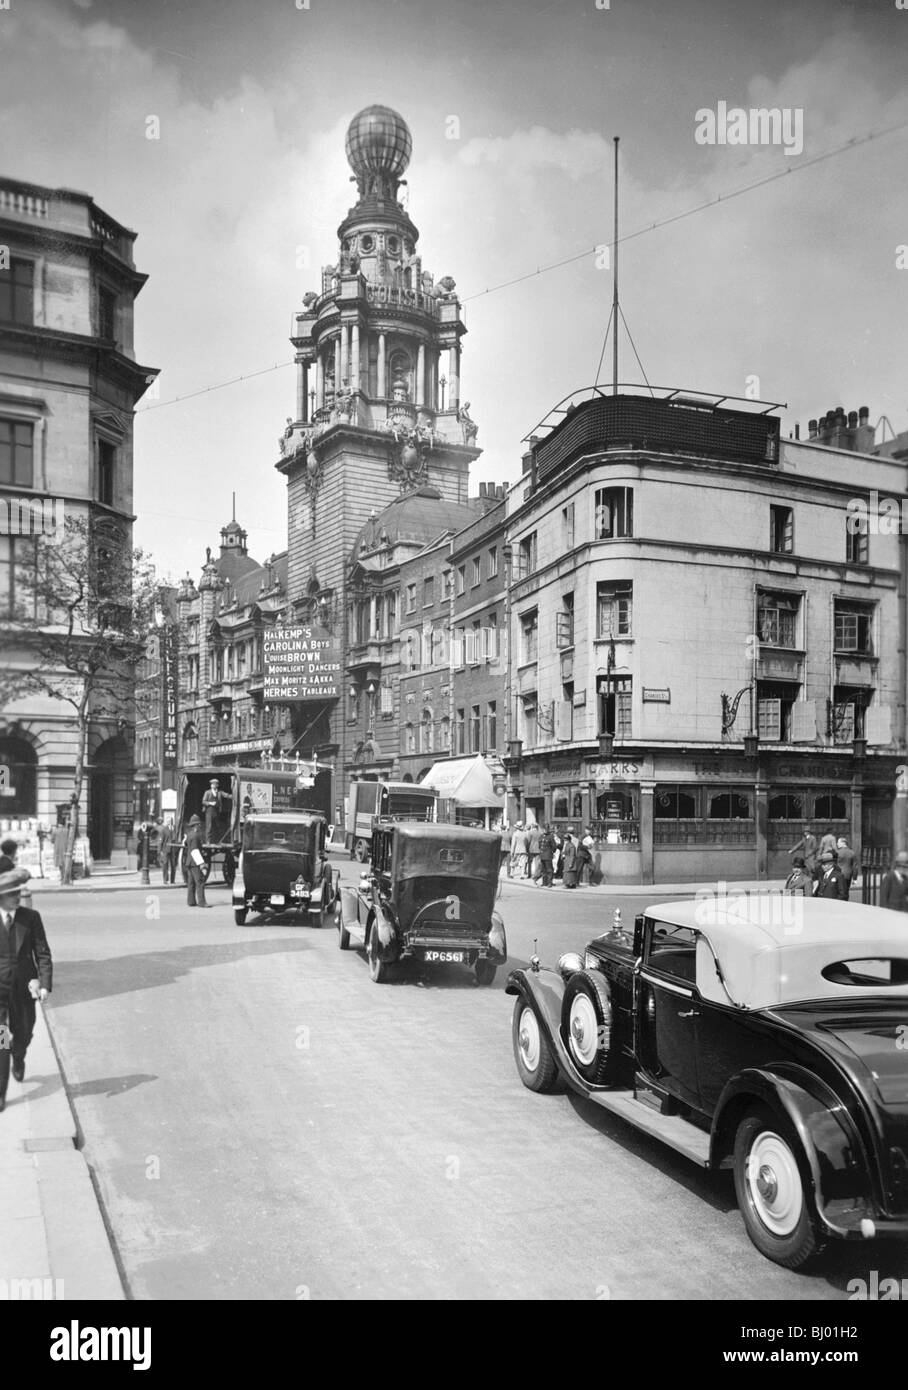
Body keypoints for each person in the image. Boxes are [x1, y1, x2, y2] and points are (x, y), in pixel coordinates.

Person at [0, 866, 52, 1110]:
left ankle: (18, 1056)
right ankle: (1, 1092)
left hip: (24, 988)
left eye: (18, 895)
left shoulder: (30, 918)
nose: (17, 898)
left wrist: (43, 983)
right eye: (12, 895)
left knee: (24, 1032)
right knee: (1, 1042)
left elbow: (42, 953)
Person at [184, 815, 208, 908]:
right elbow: (195, 850)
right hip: (195, 862)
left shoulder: (189, 834)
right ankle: (202, 902)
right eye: (199, 824)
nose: (200, 826)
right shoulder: (196, 835)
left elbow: (186, 844)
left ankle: (191, 901)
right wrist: (201, 863)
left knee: (191, 882)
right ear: (196, 825)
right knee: (200, 881)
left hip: (189, 861)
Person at [158, 818, 175, 884]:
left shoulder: (174, 829)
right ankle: (165, 880)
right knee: (165, 865)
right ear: (167, 822)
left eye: (170, 821)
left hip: (173, 849)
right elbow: (160, 841)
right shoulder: (164, 830)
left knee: (173, 865)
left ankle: (172, 880)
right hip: (165, 850)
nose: (169, 822)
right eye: (168, 821)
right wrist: (160, 851)